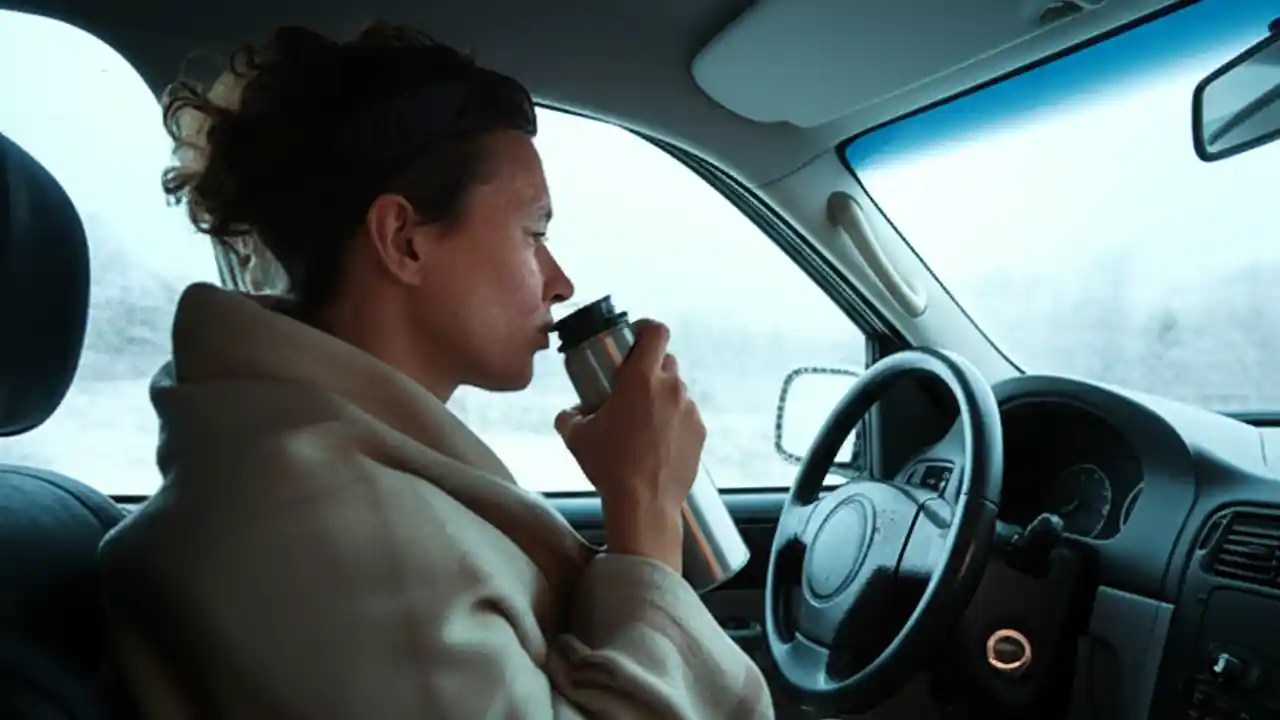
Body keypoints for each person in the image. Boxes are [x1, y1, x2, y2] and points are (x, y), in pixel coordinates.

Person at [99, 22, 773, 719]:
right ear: (404, 241)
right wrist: (645, 508)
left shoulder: (354, 478)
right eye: (534, 232)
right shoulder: (316, 531)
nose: (560, 281)